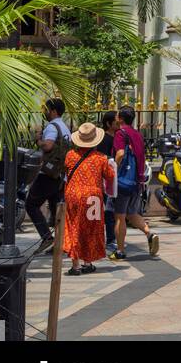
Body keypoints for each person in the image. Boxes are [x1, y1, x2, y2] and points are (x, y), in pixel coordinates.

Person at [62, 122, 116, 275]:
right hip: (93, 197)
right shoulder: (101, 158)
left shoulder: (70, 155)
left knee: (73, 227)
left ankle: (75, 265)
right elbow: (110, 176)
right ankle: (88, 262)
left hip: (73, 194)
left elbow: (66, 170)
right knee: (91, 228)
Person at [111, 106, 159, 260]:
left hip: (123, 181)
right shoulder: (137, 134)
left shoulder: (120, 134)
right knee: (132, 214)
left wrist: (114, 170)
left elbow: (120, 153)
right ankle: (149, 233)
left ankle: (120, 250)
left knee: (120, 216)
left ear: (121, 119)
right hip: (137, 181)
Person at [26, 99, 71, 253]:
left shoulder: (52, 127)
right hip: (59, 175)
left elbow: (48, 145)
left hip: (47, 174)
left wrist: (38, 139)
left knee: (31, 204)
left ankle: (47, 238)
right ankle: (60, 242)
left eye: (46, 109)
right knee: (55, 209)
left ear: (53, 111)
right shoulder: (64, 127)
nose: (44, 112)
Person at [97, 110, 118, 251]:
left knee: (112, 210)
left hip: (114, 178)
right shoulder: (104, 139)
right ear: (108, 124)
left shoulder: (118, 137)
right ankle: (110, 238)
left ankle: (112, 237)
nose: (119, 125)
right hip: (105, 179)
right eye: (116, 122)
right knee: (108, 210)